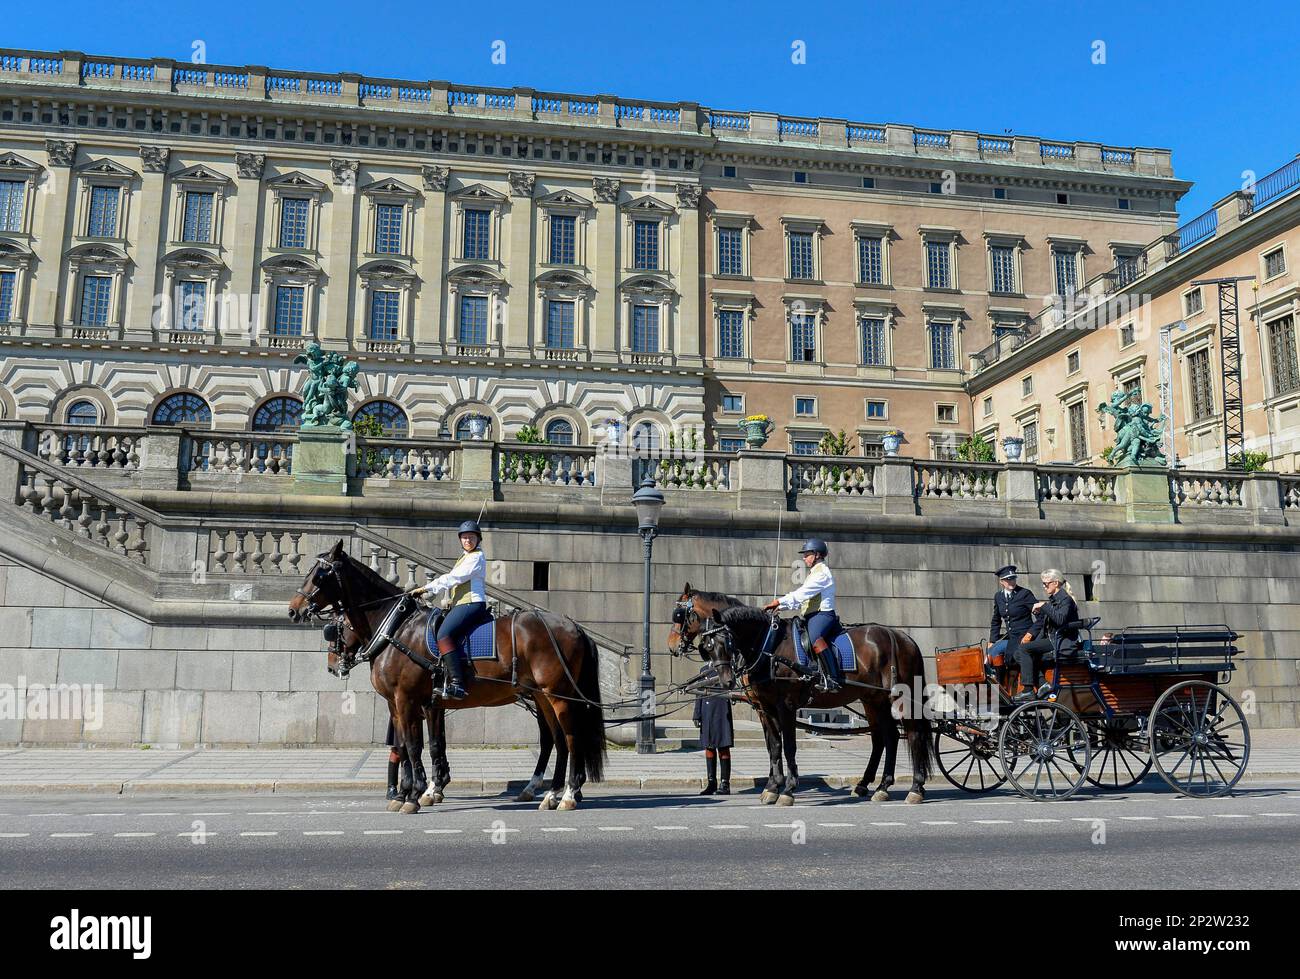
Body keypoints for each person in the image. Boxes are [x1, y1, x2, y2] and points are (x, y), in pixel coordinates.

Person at [410, 519, 491, 701]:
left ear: (478, 539)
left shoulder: (476, 557)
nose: (468, 540)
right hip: (461, 604)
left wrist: (427, 588)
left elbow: (454, 578)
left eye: (471, 537)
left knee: (443, 635)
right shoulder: (465, 557)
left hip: (472, 603)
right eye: (464, 537)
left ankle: (457, 684)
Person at [764, 538, 842, 693]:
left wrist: (778, 601)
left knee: (815, 637)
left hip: (823, 615)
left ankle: (833, 679)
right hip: (811, 615)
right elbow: (801, 599)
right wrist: (782, 606)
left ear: (817, 555)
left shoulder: (822, 573)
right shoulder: (813, 574)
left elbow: (802, 594)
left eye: (807, 554)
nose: (804, 557)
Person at [1013, 568, 1081, 702]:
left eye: (1046, 584)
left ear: (1056, 583)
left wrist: (1044, 605)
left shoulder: (1066, 600)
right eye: (1043, 584)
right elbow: (1046, 624)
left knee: (1024, 649)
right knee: (1018, 653)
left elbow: (1060, 619)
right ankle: (1043, 683)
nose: (1044, 587)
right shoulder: (1055, 601)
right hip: (1053, 639)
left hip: (1062, 642)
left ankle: (1027, 690)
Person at [987, 565, 1036, 684]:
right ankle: (995, 688)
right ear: (1002, 581)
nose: (1012, 581)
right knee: (988, 653)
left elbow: (1040, 617)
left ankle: (1002, 686)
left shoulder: (1025, 593)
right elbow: (996, 620)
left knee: (996, 651)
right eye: (1008, 579)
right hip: (1011, 636)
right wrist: (992, 640)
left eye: (1013, 578)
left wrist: (1030, 634)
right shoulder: (998, 596)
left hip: (1024, 635)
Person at [693, 687, 733, 795]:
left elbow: (730, 683)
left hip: (722, 710)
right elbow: (699, 693)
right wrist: (697, 714)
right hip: (706, 712)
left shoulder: (725, 670)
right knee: (709, 747)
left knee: (723, 746)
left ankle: (725, 783)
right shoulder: (704, 670)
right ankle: (712, 783)